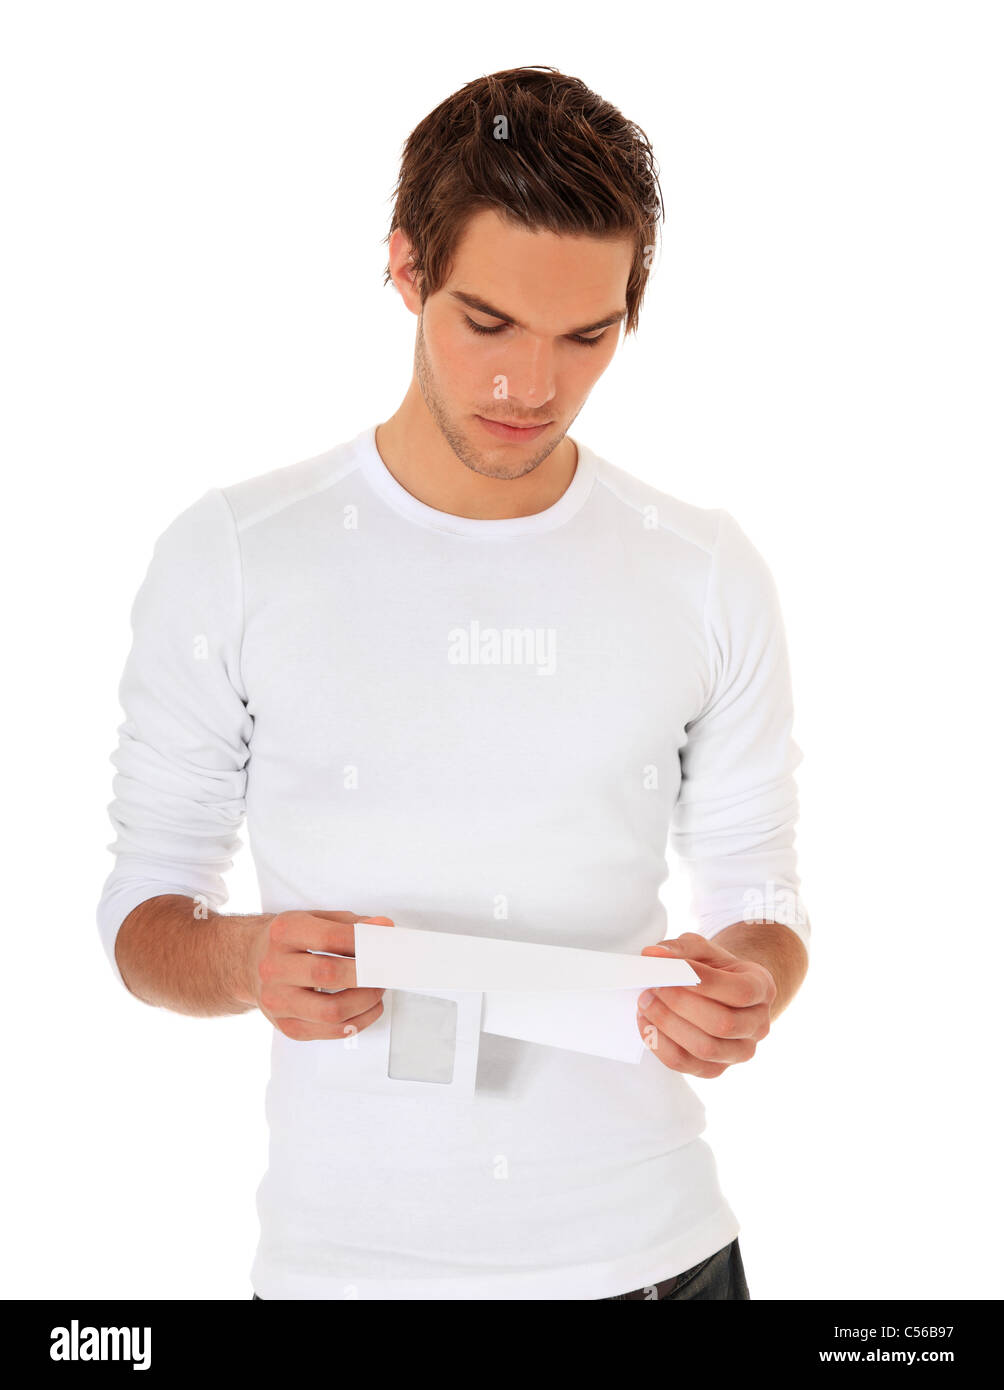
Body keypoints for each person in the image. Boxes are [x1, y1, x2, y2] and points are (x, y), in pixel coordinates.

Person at [96, 64, 810, 1301]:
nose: (530, 385)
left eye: (584, 335)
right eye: (488, 324)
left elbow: (759, 885)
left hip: (656, 1259)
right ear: (406, 270)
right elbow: (145, 907)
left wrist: (748, 980)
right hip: (348, 1273)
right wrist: (243, 959)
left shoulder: (699, 569)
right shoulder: (236, 556)